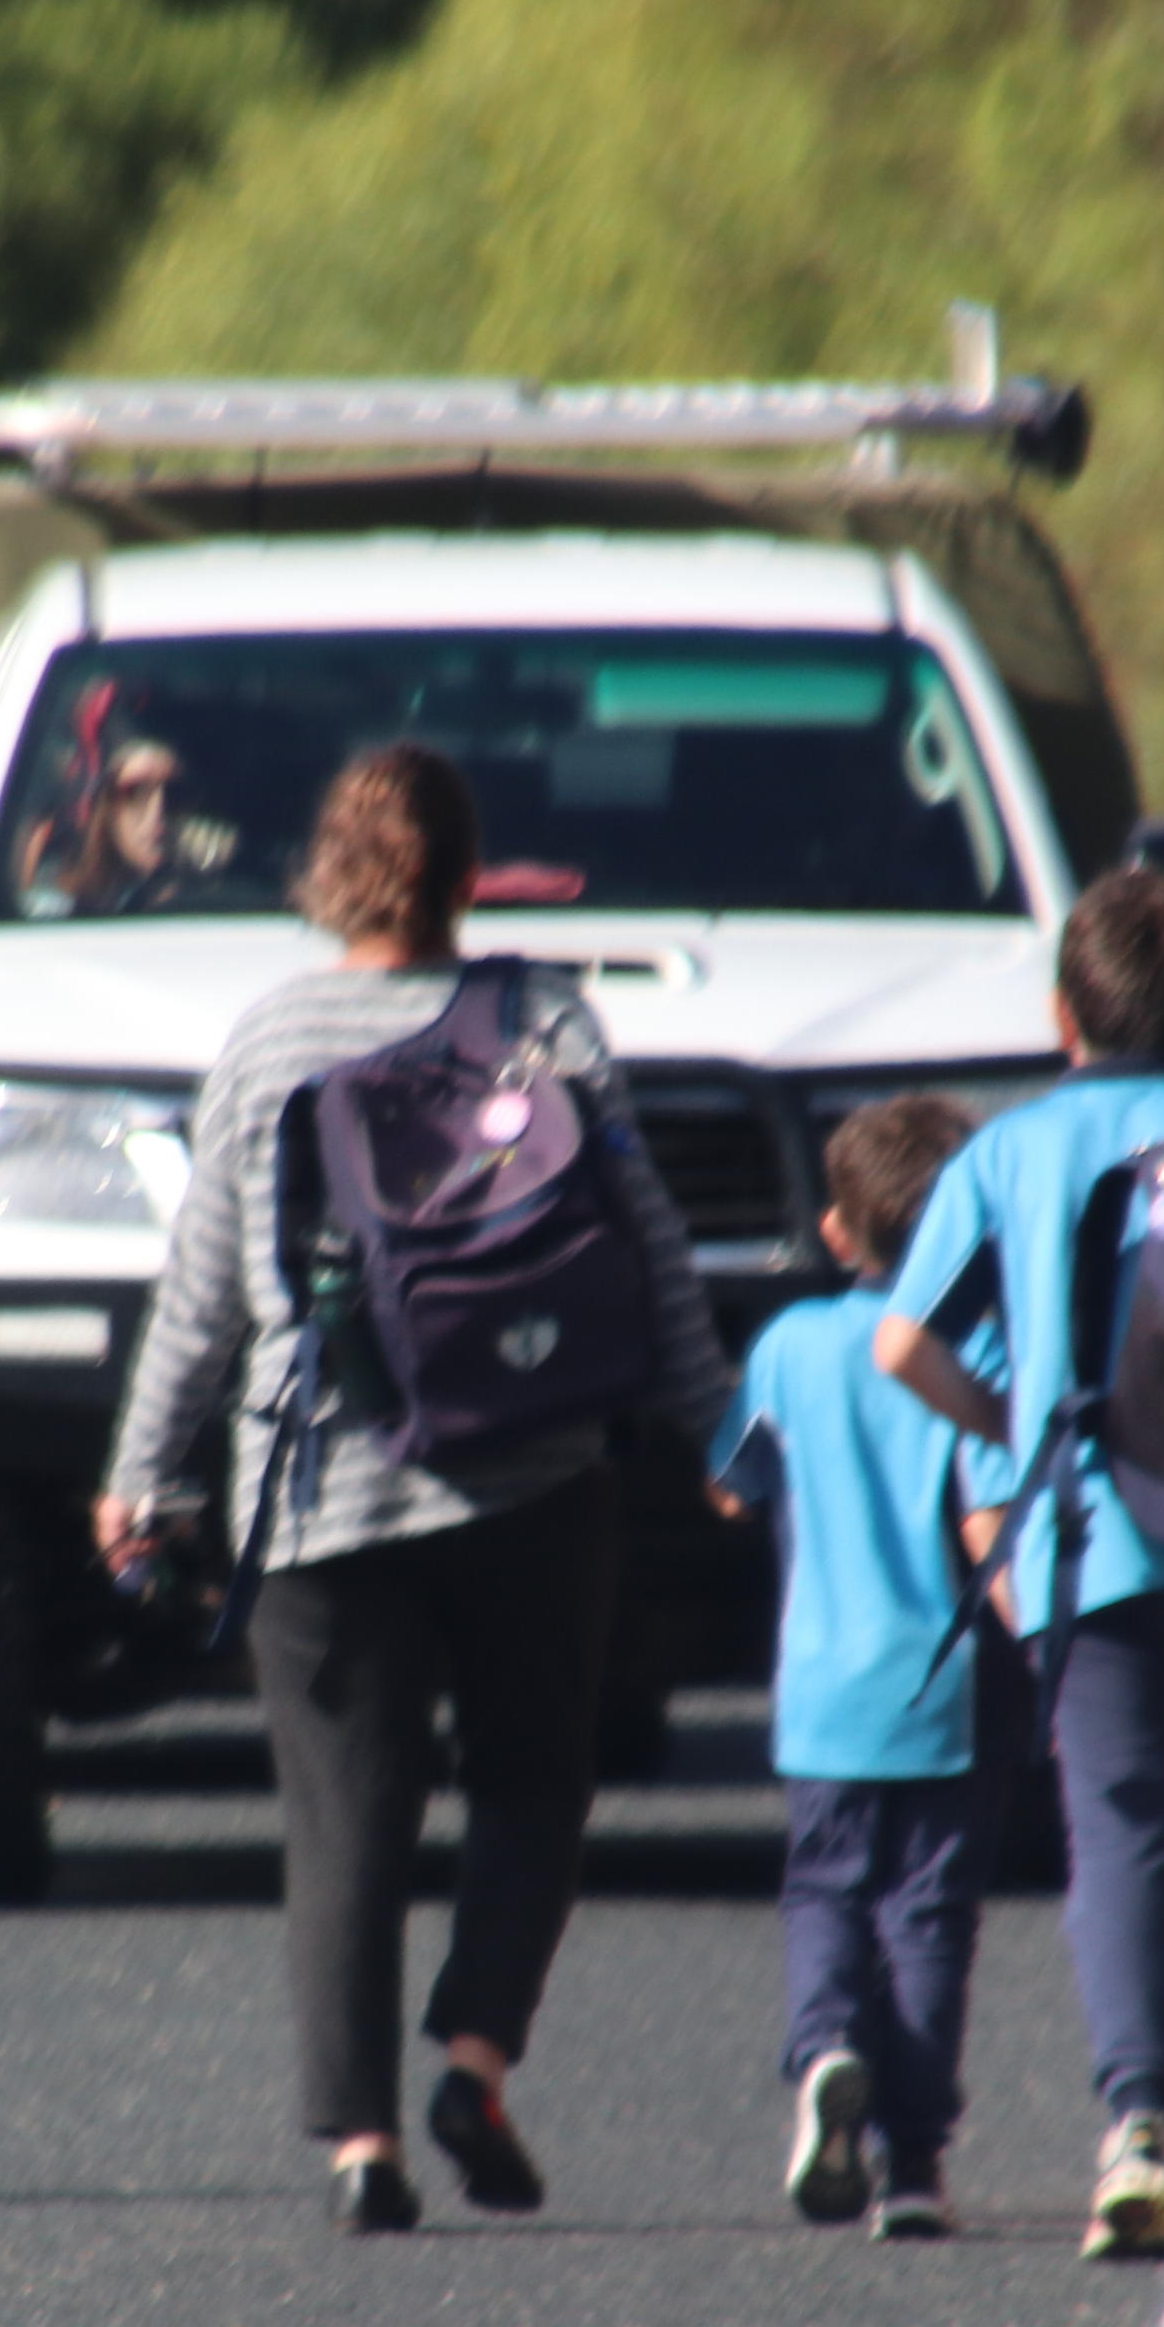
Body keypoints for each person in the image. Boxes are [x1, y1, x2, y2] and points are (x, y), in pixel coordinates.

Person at [93, 744, 732, 2233]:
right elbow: (645, 1242)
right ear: (468, 875)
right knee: (531, 1782)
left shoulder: (268, 1039)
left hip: (322, 1487)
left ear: (329, 871)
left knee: (345, 1820)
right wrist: (720, 1429)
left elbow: (204, 1295)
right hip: (533, 1469)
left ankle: (362, 2145)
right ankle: (475, 2055)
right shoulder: (546, 1017)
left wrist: (140, 1473)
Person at [873, 869, 1164, 2262]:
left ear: (1062, 1012)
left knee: (1122, 1825)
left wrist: (1015, 1439)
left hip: (1081, 1543)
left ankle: (1136, 2118)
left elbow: (902, 1342)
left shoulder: (1007, 1152)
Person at [713, 1092, 1002, 2241]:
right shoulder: (969, 1350)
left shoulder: (786, 1348)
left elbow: (732, 1481)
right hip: (943, 1684)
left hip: (821, 1691)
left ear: (838, 1233)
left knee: (826, 1889)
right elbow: (993, 1507)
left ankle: (827, 2049)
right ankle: (917, 2159)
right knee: (928, 1914)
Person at [29, 731, 237, 915]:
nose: (157, 813)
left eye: (175, 794)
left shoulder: (219, 898)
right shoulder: (55, 909)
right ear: (106, 806)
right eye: (136, 792)